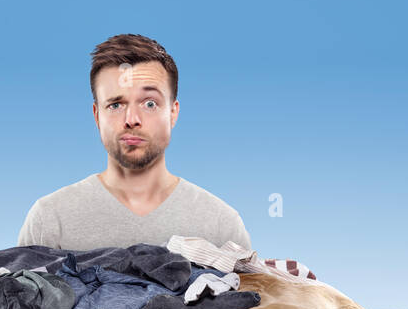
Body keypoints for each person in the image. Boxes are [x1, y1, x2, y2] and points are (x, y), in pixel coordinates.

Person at [17, 34, 252, 251]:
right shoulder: (49, 220)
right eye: (115, 105)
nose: (132, 120)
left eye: (149, 103)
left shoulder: (222, 226)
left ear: (173, 112)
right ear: (97, 115)